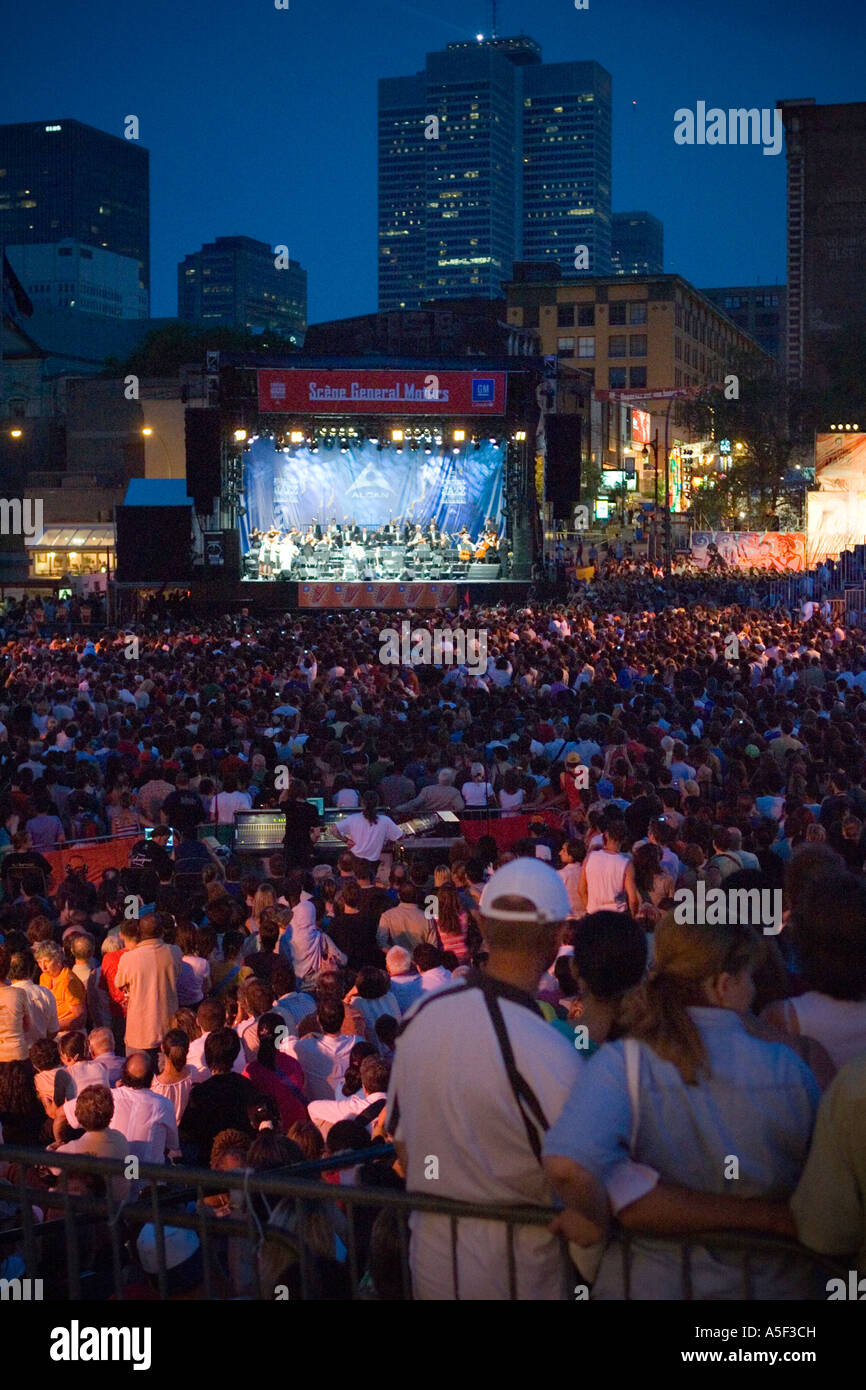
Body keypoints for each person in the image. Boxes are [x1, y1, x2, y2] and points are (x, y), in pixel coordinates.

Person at [543, 915, 820, 1300]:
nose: (754, 990)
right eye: (749, 978)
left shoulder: (625, 1063)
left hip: (650, 1282)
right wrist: (767, 1217)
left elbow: (567, 1164)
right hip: (771, 1285)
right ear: (724, 985)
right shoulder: (790, 1069)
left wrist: (592, 1218)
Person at [386, 857, 588, 1300]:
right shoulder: (551, 1050)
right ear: (557, 938)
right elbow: (575, 1172)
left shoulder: (420, 1014)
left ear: (480, 923)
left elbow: (401, 1140)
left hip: (433, 1269)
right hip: (520, 1278)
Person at [179, 1029, 258, 1164]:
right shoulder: (247, 1086)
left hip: (209, 1163)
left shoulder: (201, 1093)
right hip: (244, 1160)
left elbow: (186, 1134)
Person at [115, 913, 181, 1056]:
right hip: (168, 1028)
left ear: (140, 932)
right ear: (162, 931)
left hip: (139, 1032)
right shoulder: (175, 952)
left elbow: (119, 983)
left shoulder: (129, 958)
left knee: (137, 1074)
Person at [336, 791, 403, 877]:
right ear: (377, 803)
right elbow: (399, 836)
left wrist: (347, 841)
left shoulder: (353, 818)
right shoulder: (385, 820)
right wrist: (386, 841)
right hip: (373, 862)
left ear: (362, 803)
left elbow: (334, 830)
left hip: (355, 859)